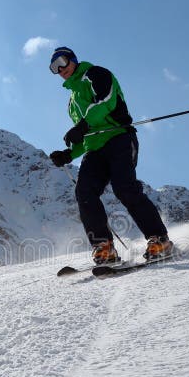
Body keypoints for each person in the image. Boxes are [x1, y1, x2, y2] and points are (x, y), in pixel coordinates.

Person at [48, 46, 173, 264]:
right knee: (84, 192)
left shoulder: (96, 74)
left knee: (124, 188)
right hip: (95, 149)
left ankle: (159, 239)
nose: (59, 69)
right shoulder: (71, 102)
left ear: (73, 60)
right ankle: (103, 247)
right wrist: (69, 154)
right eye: (54, 68)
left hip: (119, 138)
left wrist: (84, 124)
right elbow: (86, 136)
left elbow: (107, 101)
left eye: (61, 62)